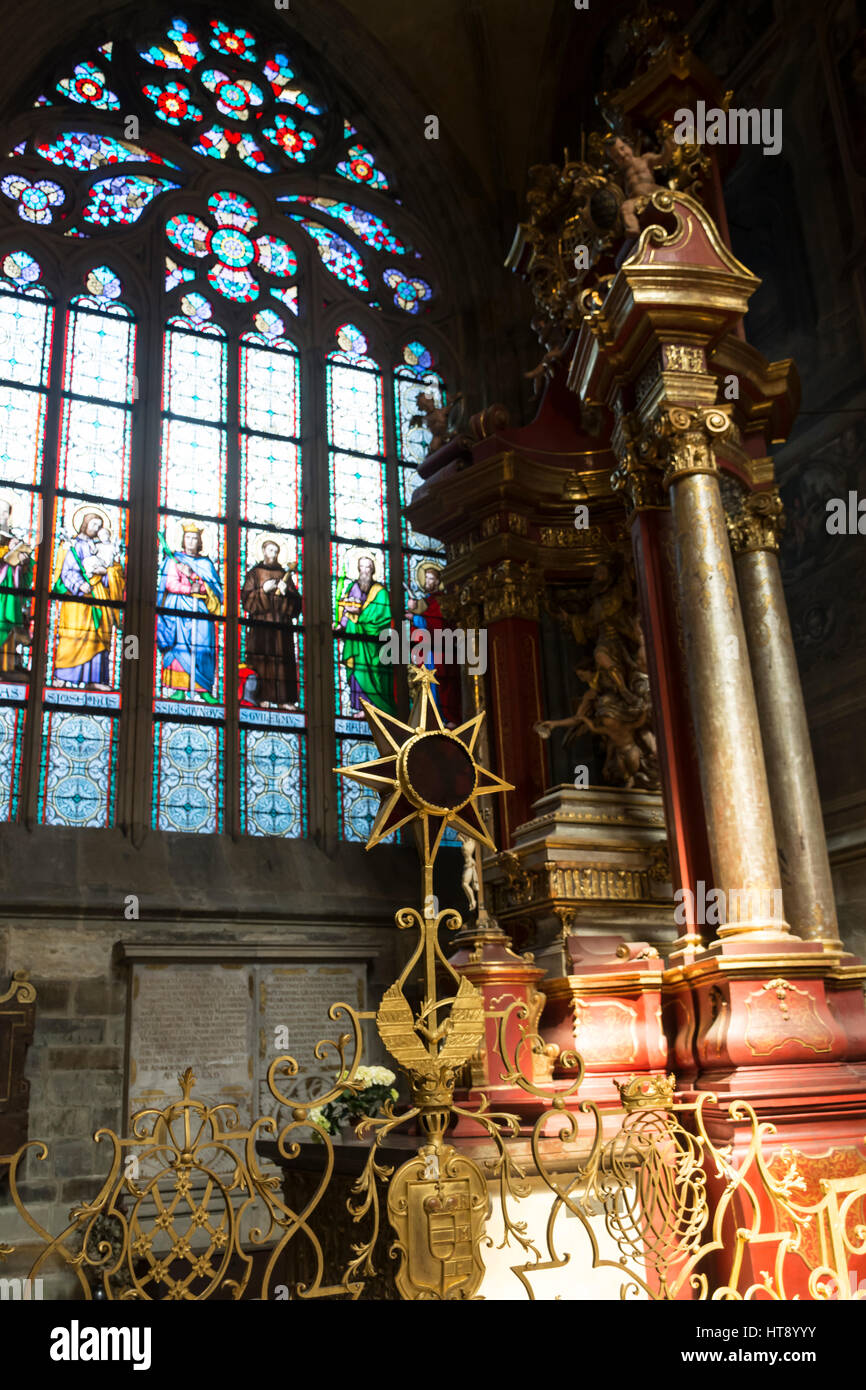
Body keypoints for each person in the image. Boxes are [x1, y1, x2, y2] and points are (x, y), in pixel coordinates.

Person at [52, 508, 124, 688]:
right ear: (84, 524)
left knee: (99, 637)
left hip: (99, 595)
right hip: (78, 599)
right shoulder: (72, 545)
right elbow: (66, 572)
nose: (96, 528)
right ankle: (63, 674)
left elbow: (112, 573)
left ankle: (96, 679)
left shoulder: (101, 547)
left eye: (99, 526)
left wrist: (109, 571)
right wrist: (79, 584)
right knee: (74, 634)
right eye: (93, 524)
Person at [156, 521, 223, 700]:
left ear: (200, 541)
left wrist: (193, 575)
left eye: (195, 538)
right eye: (188, 538)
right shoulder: (173, 560)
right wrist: (188, 589)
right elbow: (169, 584)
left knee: (203, 645)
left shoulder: (206, 564)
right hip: (177, 607)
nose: (191, 541)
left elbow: (215, 590)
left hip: (200, 609)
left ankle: (203, 689)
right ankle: (178, 689)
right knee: (178, 647)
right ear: (183, 540)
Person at [240, 539, 302, 707]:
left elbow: (297, 606)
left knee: (283, 661)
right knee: (262, 660)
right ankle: (261, 697)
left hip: (282, 628)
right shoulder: (254, 573)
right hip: (261, 627)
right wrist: (263, 591)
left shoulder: (284, 575)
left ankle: (284, 700)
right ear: (263, 552)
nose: (273, 554)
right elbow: (246, 600)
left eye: (276, 551)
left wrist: (285, 592)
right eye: (270, 550)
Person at [334, 554, 396, 716]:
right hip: (357, 642)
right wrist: (341, 624)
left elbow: (383, 618)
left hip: (375, 644)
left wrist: (359, 613)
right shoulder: (352, 587)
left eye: (368, 567)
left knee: (375, 674)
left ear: (373, 569)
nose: (365, 570)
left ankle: (376, 708)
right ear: (358, 569)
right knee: (357, 672)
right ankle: (362, 708)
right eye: (362, 567)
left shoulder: (381, 592)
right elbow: (345, 610)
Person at [0, 499, 33, 676]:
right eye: (0, 511)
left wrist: (23, 562)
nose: (2, 515)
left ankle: (7, 666)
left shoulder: (14, 539)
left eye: (6, 512)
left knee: (10, 627)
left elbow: (27, 575)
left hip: (10, 595)